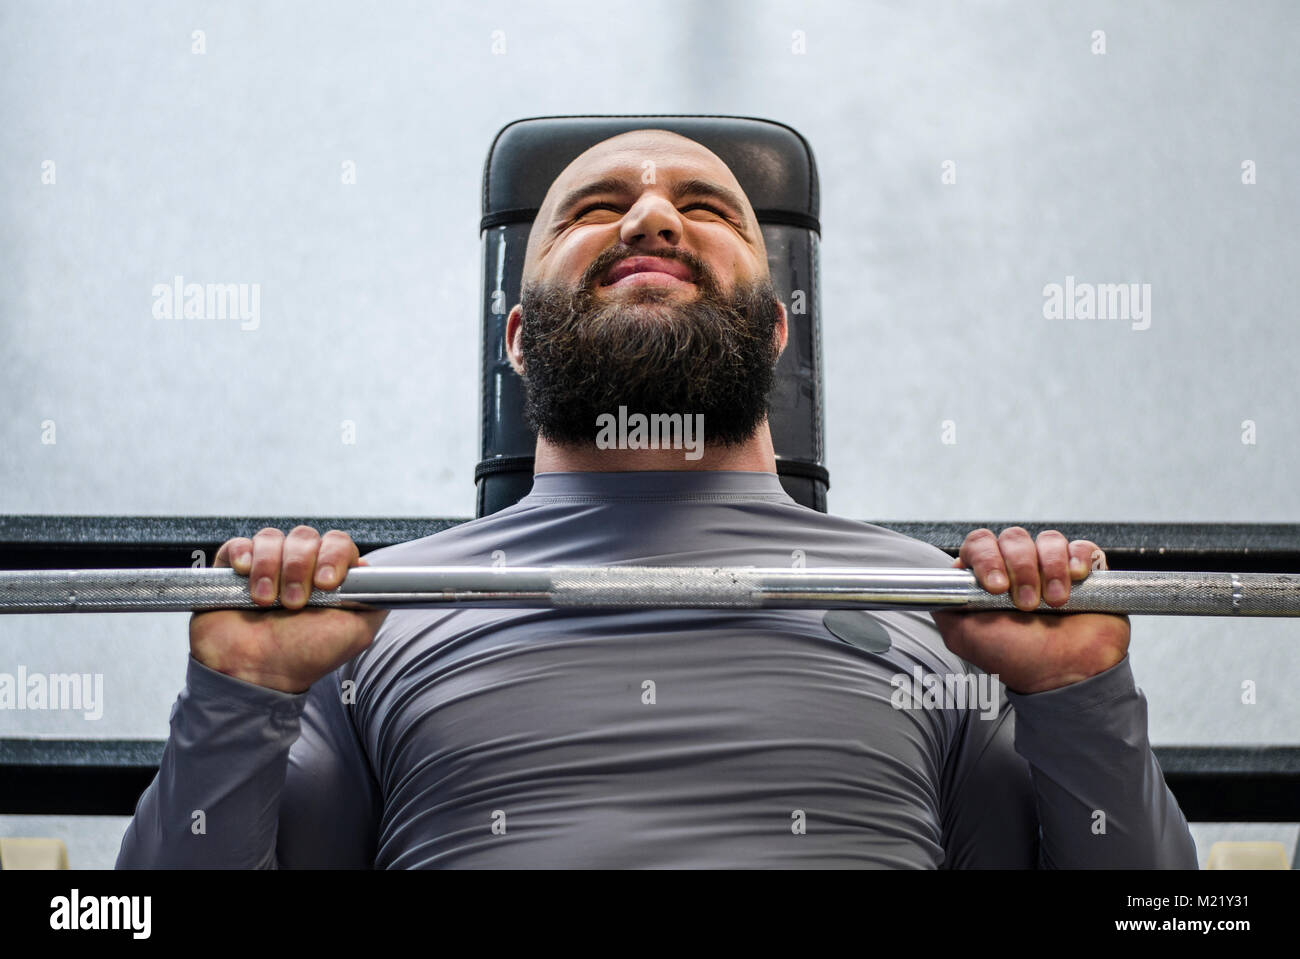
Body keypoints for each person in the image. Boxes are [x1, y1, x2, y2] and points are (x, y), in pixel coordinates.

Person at [116, 129, 1196, 868]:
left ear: (776, 331)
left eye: (701, 207)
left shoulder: (950, 615)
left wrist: (1081, 696)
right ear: (520, 339)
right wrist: (237, 694)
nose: (647, 216)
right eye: (593, 206)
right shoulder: (361, 624)